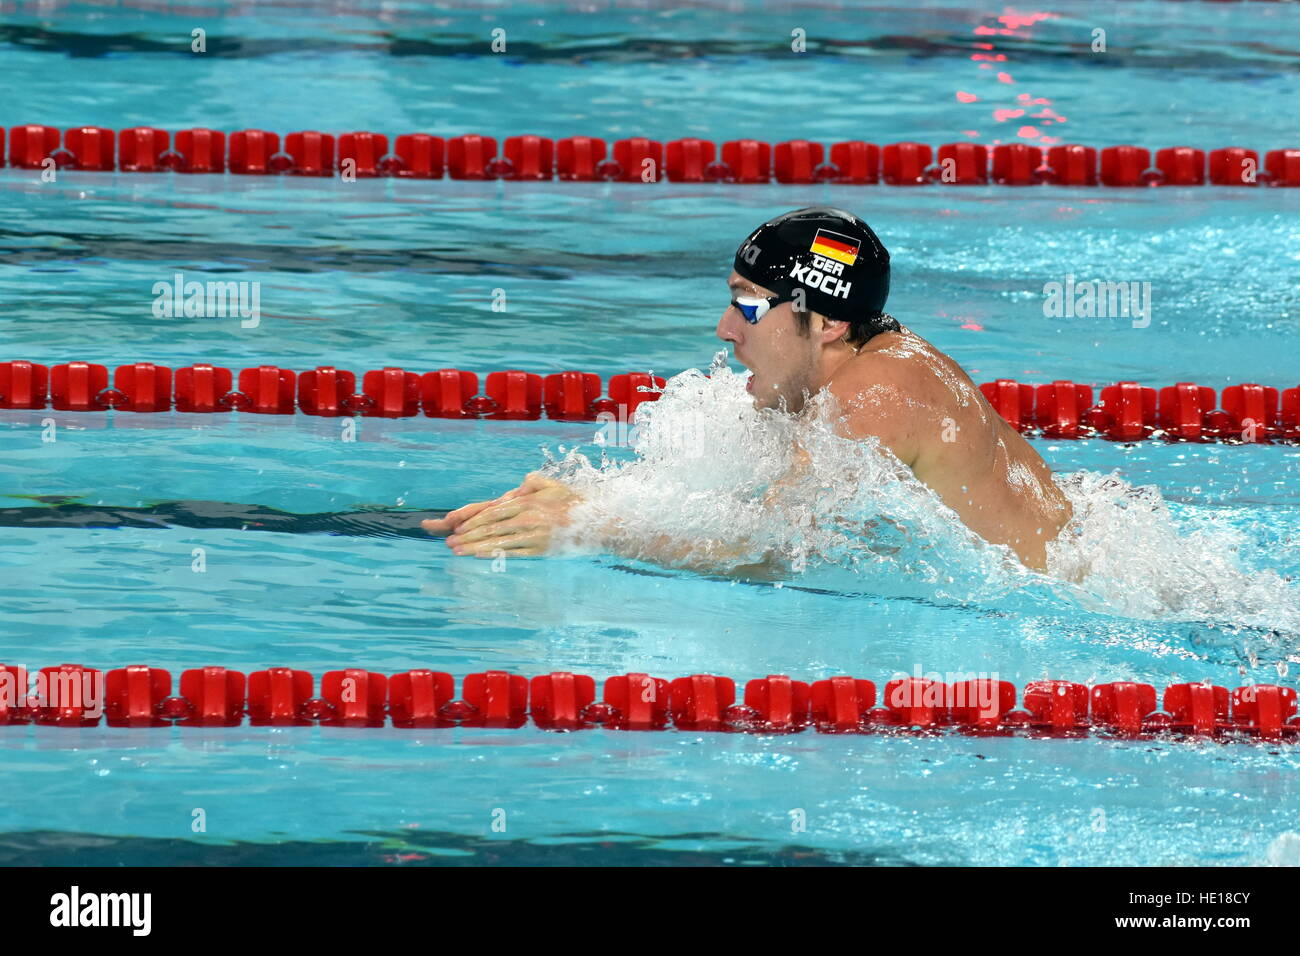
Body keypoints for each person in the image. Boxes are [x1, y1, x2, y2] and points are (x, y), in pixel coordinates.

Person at [423, 206, 1073, 572]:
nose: (725, 329)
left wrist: (591, 527)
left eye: (750, 306)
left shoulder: (879, 388)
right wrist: (585, 498)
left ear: (827, 322)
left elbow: (772, 556)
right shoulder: (853, 371)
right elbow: (740, 512)